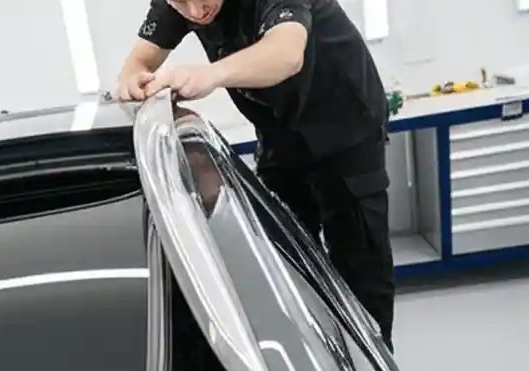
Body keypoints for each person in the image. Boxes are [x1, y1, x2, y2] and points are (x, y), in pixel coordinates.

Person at [118, 0, 395, 345]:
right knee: (285, 261)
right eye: (180, 3)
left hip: (346, 131)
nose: (195, 12)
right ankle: (314, 351)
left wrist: (210, 74)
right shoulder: (180, 4)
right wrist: (134, 81)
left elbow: (286, 54)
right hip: (280, 136)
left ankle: (377, 360)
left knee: (360, 267)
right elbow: (137, 64)